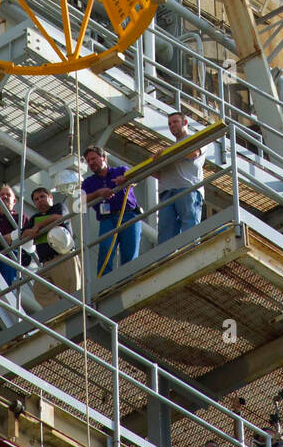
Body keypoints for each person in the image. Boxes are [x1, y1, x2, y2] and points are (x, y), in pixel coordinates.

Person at [81, 147, 142, 276]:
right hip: (107, 220)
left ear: (104, 158)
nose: (91, 163)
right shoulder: (88, 183)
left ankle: (128, 280)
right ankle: (104, 286)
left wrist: (125, 180)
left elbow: (136, 178)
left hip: (129, 215)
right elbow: (80, 200)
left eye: (93, 158)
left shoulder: (121, 170)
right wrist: (98, 193)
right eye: (88, 161)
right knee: (105, 251)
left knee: (129, 253)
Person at [22, 185, 82, 312]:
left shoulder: (59, 207)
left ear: (50, 197)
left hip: (64, 257)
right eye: (36, 199)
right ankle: (61, 310)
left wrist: (37, 227)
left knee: (72, 291)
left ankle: (75, 313)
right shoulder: (33, 218)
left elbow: (58, 218)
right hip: (46, 263)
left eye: (42, 197)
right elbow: (23, 234)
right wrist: (30, 232)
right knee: (39, 290)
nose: (40, 200)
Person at [152, 111, 204, 244]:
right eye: (169, 123)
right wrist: (155, 162)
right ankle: (166, 261)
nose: (171, 125)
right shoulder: (169, 149)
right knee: (165, 233)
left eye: (175, 122)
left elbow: (194, 153)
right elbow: (158, 174)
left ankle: (191, 253)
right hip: (167, 192)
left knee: (189, 227)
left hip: (187, 189)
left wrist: (168, 152)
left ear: (185, 122)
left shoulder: (196, 139)